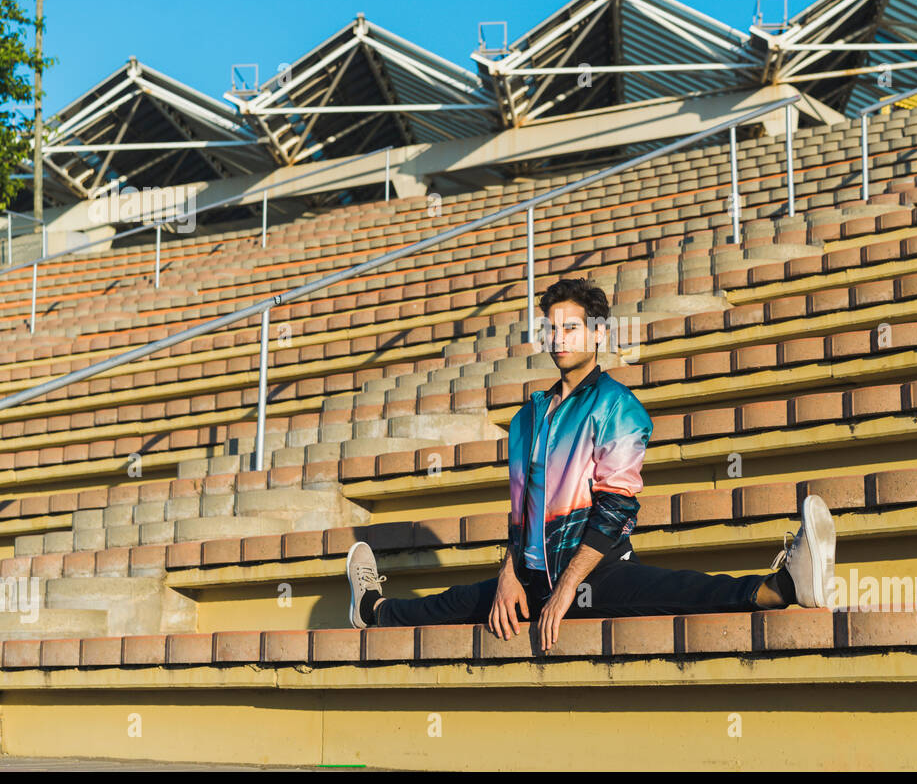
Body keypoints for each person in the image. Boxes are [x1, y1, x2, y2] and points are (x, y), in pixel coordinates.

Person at [346, 276, 838, 651]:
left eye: (572, 327)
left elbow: (616, 508)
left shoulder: (617, 407)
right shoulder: (525, 418)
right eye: (552, 328)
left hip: (595, 574)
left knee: (678, 590)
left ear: (598, 334)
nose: (560, 338)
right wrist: (508, 574)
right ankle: (371, 608)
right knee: (450, 603)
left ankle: (785, 585)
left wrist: (566, 587)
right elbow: (522, 516)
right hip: (532, 578)